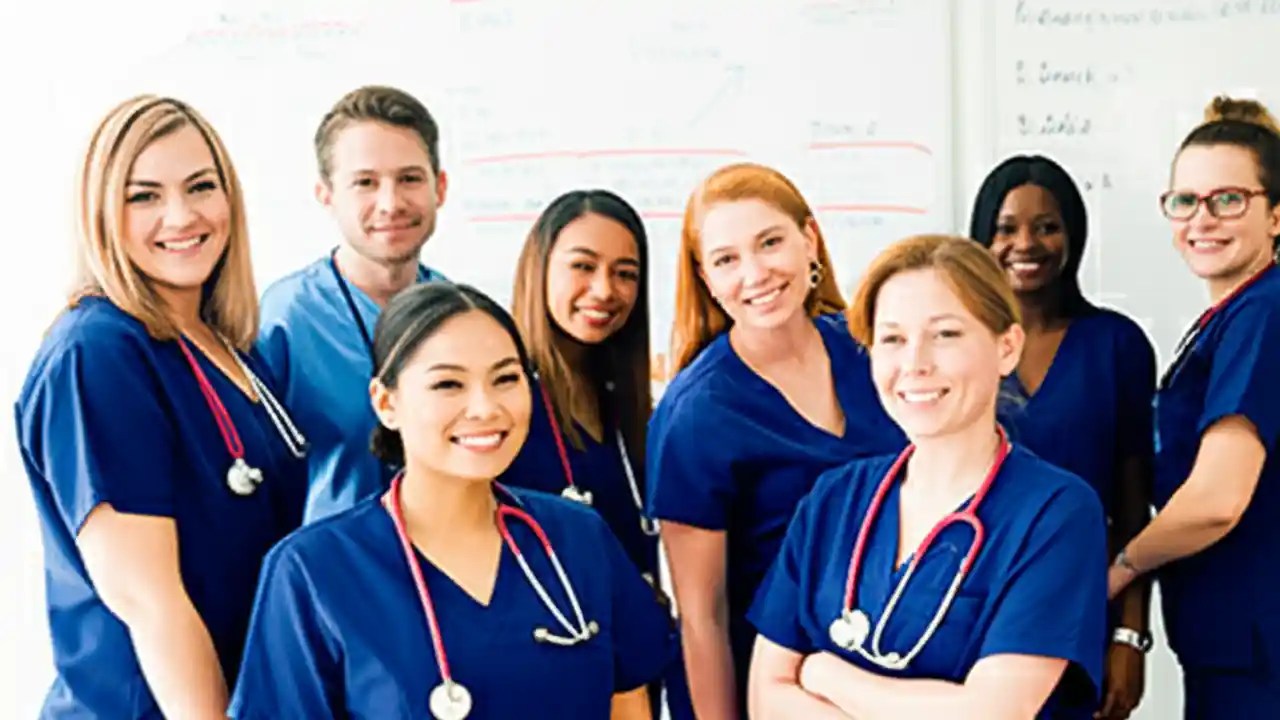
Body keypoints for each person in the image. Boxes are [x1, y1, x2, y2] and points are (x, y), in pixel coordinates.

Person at [229, 282, 673, 719]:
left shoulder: (579, 538)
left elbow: (628, 702)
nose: (485, 408)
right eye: (448, 384)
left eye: (505, 378)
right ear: (386, 403)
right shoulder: (314, 570)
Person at [14, 95, 308, 719]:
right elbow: (149, 601)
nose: (181, 215)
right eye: (143, 196)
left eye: (201, 187)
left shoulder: (227, 346)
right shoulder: (97, 353)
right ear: (101, 212)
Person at [748, 234, 1107, 719]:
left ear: (1007, 347)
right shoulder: (834, 500)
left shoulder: (1055, 514)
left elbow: (991, 714)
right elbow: (766, 698)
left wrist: (827, 675)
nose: (915, 363)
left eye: (945, 335)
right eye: (892, 339)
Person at [646, 162, 906, 719]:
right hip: (771, 690)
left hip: (889, 674)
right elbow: (703, 617)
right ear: (706, 278)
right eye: (727, 260)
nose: (755, 273)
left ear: (809, 239)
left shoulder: (871, 351)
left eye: (770, 243)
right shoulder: (695, 415)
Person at [1108, 96, 1280, 718]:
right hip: (1231, 641)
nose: (1201, 219)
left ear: (1277, 215)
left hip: (1261, 652)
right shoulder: (1229, 318)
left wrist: (1122, 568)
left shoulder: (1264, 314)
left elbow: (1215, 500)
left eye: (1228, 199)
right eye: (1185, 201)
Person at [969, 154, 1156, 719]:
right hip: (970, 611)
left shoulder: (1116, 345)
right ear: (982, 238)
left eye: (1047, 226)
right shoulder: (958, 343)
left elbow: (1133, 509)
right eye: (1006, 228)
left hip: (1082, 612)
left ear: (1073, 235)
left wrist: (1130, 635)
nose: (1026, 244)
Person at [255, 84, 449, 523]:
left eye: (410, 179)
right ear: (326, 195)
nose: (390, 204)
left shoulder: (458, 315)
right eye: (365, 183)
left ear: (440, 187)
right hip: (320, 559)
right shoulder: (285, 319)